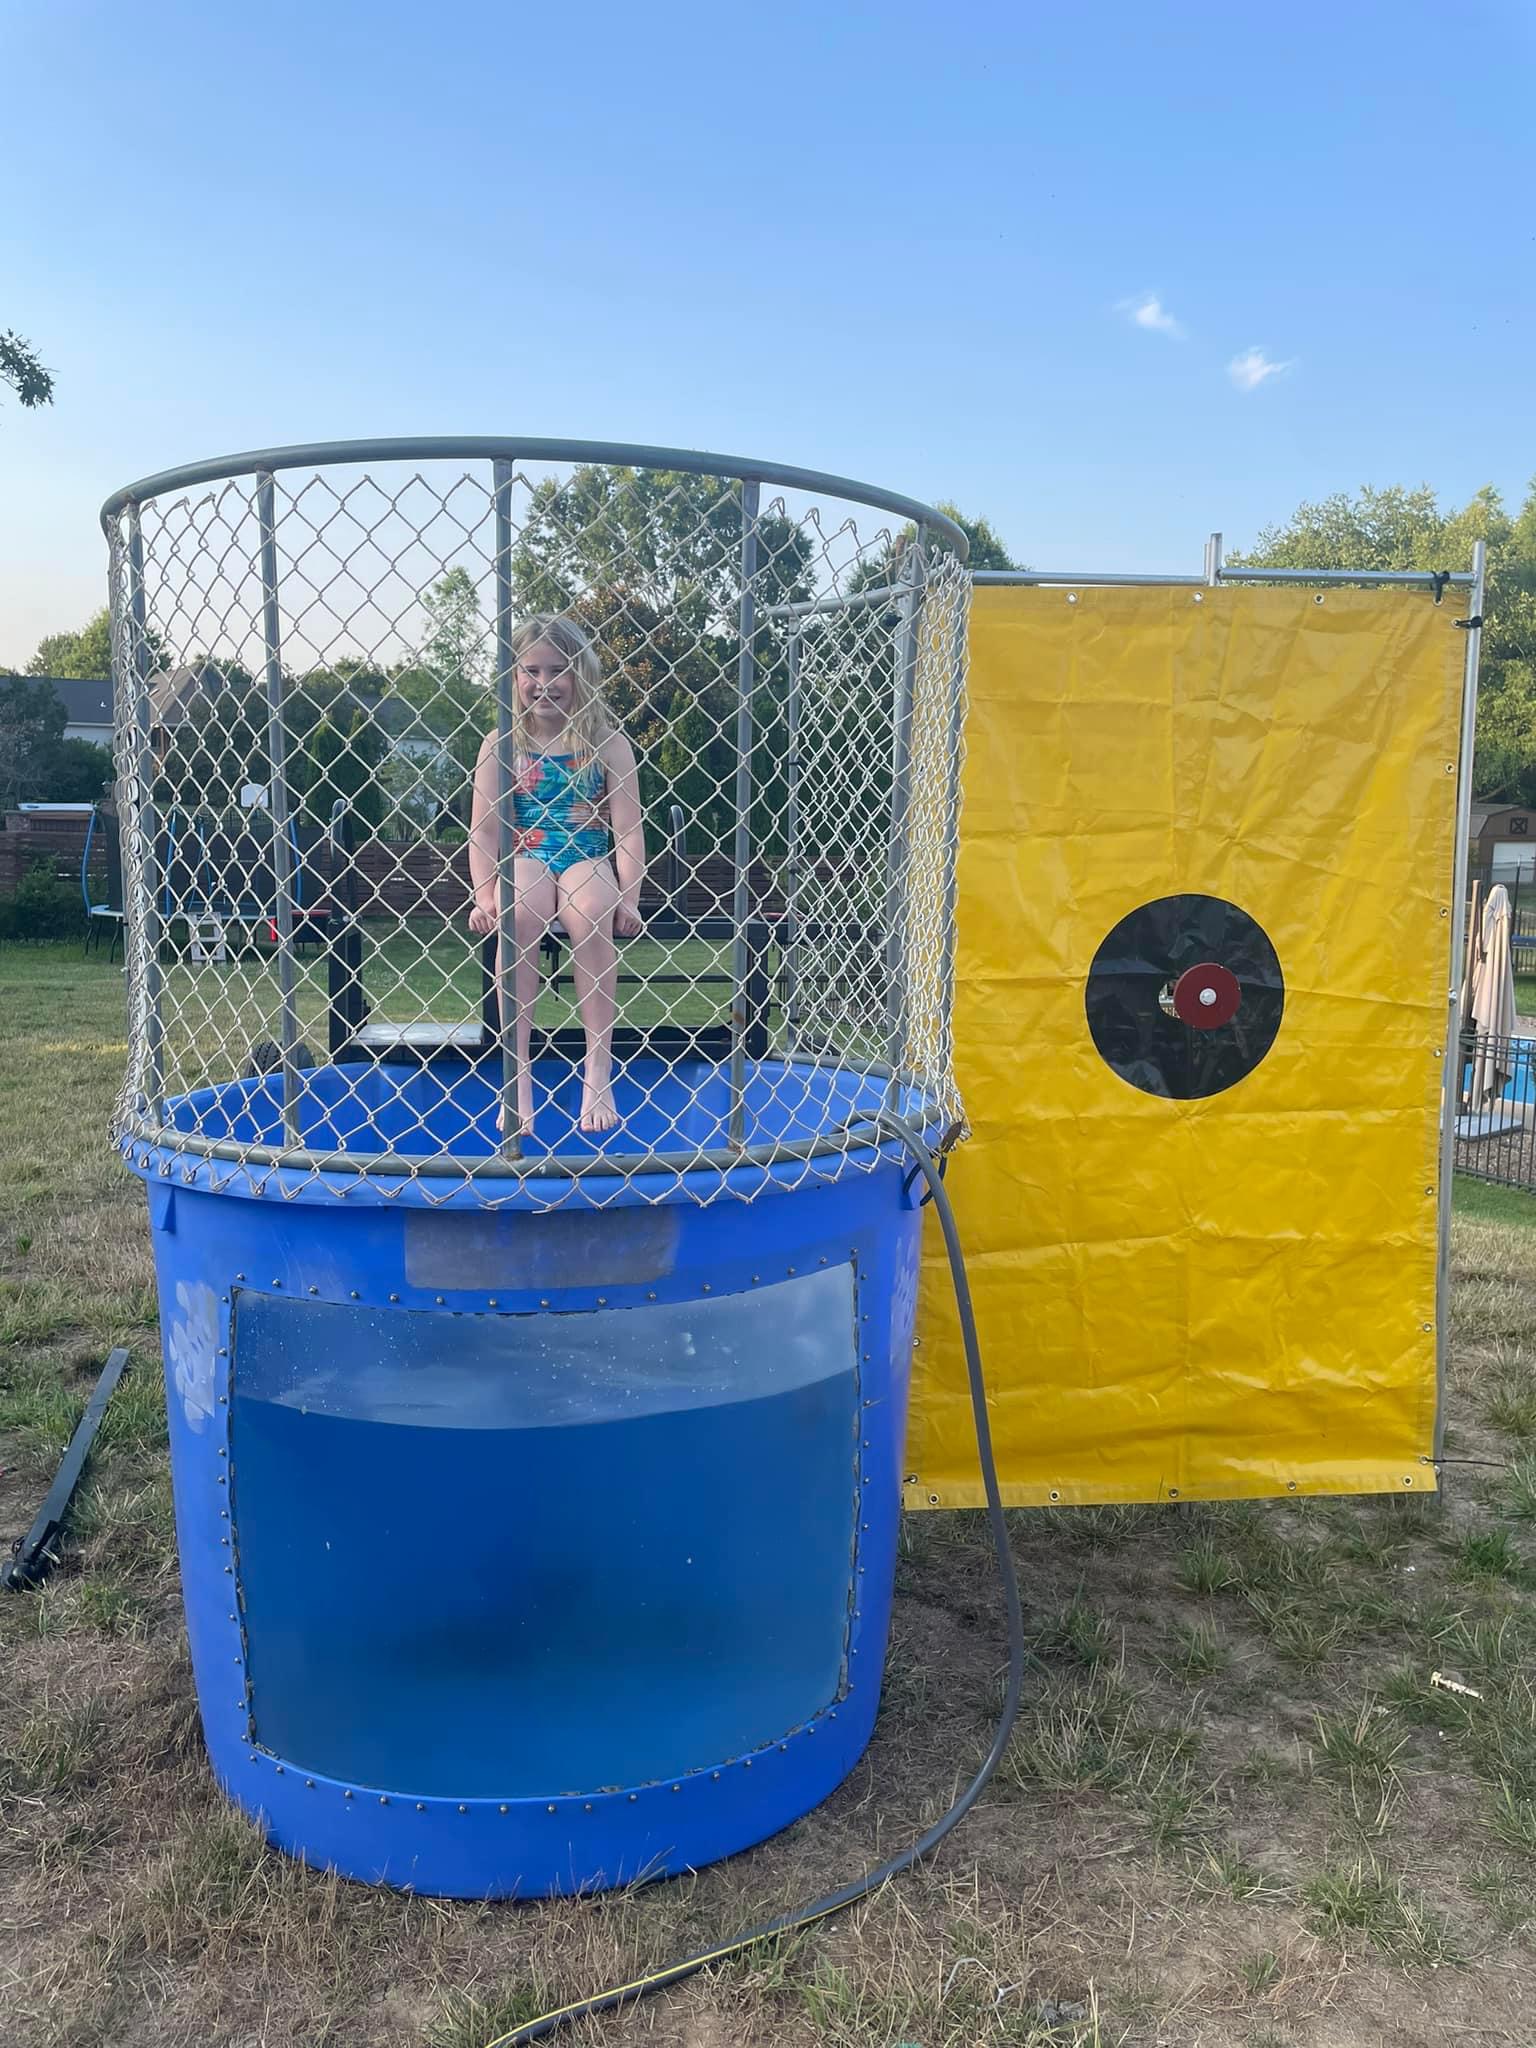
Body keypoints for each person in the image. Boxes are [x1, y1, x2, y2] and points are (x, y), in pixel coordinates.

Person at [467, 614, 643, 1134]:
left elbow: (628, 831)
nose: (545, 684)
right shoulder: (502, 744)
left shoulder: (607, 743)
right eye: (532, 671)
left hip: (586, 855)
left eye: (558, 670)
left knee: (592, 912)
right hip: (529, 854)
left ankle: (597, 1068)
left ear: (579, 675)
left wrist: (628, 899)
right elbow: (484, 832)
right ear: (515, 677)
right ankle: (516, 1071)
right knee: (518, 912)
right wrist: (483, 896)